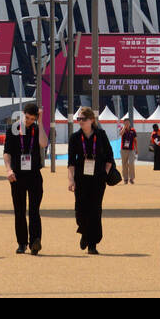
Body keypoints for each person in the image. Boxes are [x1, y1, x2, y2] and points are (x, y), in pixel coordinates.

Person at [67, 106, 114, 254]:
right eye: (79, 119)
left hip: (98, 179)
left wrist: (105, 174)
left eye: (83, 119)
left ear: (91, 120)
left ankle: (92, 243)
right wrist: (71, 180)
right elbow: (71, 162)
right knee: (80, 210)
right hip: (81, 179)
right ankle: (84, 231)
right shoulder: (75, 137)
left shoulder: (101, 135)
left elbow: (109, 157)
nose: (80, 121)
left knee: (95, 210)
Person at [4, 102, 47, 254]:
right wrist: (8, 170)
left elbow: (43, 143)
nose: (29, 121)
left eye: (32, 119)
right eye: (27, 118)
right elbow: (7, 152)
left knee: (34, 210)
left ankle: (35, 241)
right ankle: (21, 243)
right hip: (17, 176)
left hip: (34, 175)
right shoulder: (13, 130)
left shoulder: (37, 129)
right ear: (23, 114)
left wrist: (40, 123)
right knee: (19, 211)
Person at [119, 120, 137, 184]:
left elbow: (135, 140)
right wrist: (124, 128)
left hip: (131, 150)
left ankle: (131, 178)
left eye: (128, 122)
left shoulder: (133, 130)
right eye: (125, 123)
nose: (127, 124)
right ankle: (125, 179)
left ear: (129, 123)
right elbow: (120, 134)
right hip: (123, 150)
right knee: (124, 164)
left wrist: (136, 149)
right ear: (123, 123)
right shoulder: (122, 129)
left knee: (131, 163)